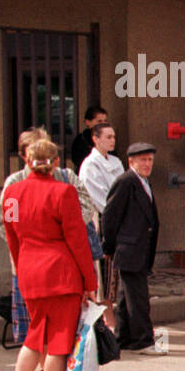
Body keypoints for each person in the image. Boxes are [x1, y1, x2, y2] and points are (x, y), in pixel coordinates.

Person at [1, 139, 98, 371]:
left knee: (34, 335)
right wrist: (90, 283)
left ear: (26, 161)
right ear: (56, 163)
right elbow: (78, 242)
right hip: (60, 273)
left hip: (29, 270)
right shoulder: (64, 192)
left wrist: (21, 267)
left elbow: (11, 236)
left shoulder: (11, 194)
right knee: (59, 338)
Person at [101, 142, 162, 352]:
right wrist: (108, 246)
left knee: (126, 296)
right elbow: (110, 216)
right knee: (138, 297)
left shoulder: (144, 181)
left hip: (140, 249)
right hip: (129, 248)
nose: (147, 164)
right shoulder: (126, 182)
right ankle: (143, 340)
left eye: (150, 160)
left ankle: (122, 337)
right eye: (143, 160)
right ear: (131, 162)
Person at [72, 122, 124, 331]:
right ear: (96, 138)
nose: (112, 140)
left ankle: (114, 320)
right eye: (108, 137)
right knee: (102, 276)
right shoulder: (89, 165)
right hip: (100, 222)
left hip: (118, 221)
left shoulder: (116, 162)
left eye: (113, 136)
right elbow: (98, 197)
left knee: (115, 275)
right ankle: (106, 322)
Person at [69, 105, 110, 173]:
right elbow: (77, 159)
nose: (103, 124)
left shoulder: (108, 138)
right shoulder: (80, 140)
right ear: (88, 122)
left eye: (105, 121)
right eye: (99, 121)